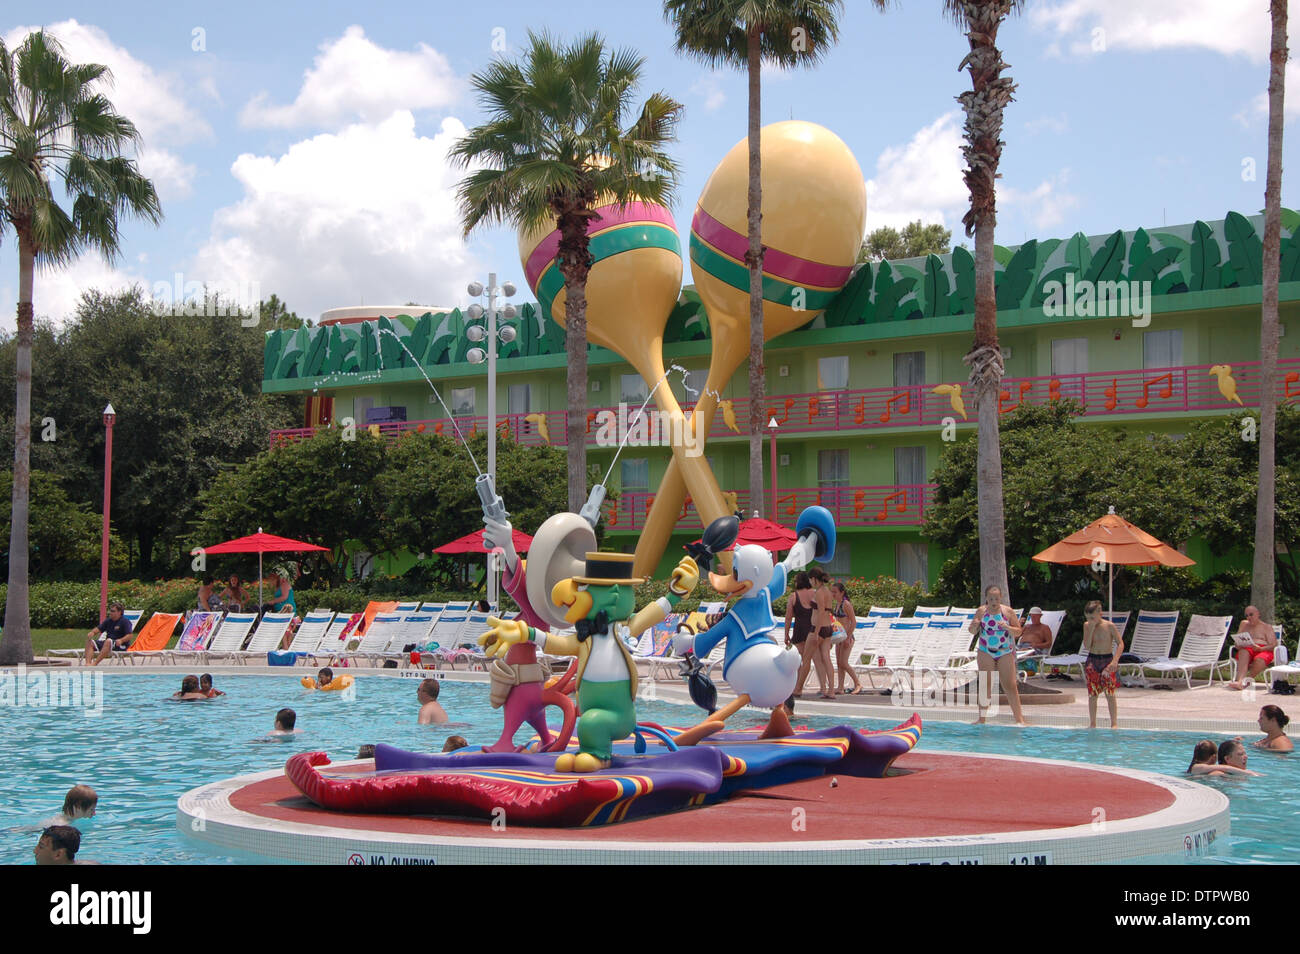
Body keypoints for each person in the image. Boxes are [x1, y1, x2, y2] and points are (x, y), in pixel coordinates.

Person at [969, 584, 1027, 726]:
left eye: (996, 598)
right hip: (985, 650)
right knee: (985, 684)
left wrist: (1007, 627)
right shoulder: (981, 611)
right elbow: (972, 631)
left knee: (1010, 685)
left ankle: (1019, 719)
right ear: (986, 599)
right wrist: (975, 625)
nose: (994, 602)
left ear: (1001, 598)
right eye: (991, 599)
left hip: (1005, 651)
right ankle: (981, 719)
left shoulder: (1007, 612)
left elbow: (1018, 632)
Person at [1081, 600, 1123, 729]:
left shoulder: (1109, 626)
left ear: (1100, 613)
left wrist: (1115, 661)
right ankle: (1093, 723)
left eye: (1092, 618)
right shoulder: (1087, 625)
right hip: (1092, 661)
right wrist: (1092, 627)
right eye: (1088, 618)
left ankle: (1114, 723)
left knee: (1110, 693)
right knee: (1092, 694)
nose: (1090, 620)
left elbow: (1120, 643)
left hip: (1107, 661)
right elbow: (1087, 646)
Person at [784, 572, 821, 698]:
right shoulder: (815, 593)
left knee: (797, 661)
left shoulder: (793, 596)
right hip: (812, 628)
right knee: (808, 660)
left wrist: (786, 634)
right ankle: (800, 687)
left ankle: (796, 687)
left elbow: (788, 617)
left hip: (799, 630)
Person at [1227, 606, 1279, 690]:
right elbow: (1237, 641)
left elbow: (1273, 645)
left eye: (1251, 615)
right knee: (1243, 652)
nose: (1249, 617)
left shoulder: (1266, 627)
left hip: (1263, 649)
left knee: (1260, 659)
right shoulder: (1244, 624)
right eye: (1246, 615)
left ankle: (1247, 680)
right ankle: (1240, 682)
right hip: (1247, 648)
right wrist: (1238, 644)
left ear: (1258, 614)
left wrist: (1260, 649)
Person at [829, 582, 864, 694]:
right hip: (839, 636)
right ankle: (840, 687)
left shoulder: (846, 604)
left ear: (842, 592)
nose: (833, 594)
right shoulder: (837, 604)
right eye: (832, 592)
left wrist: (848, 637)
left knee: (844, 662)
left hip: (847, 637)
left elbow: (853, 622)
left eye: (835, 592)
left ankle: (858, 683)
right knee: (839, 663)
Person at [809, 568, 837, 699]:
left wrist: (816, 632)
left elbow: (820, 612)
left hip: (819, 628)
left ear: (814, 579)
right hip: (828, 627)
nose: (810, 582)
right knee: (826, 658)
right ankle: (830, 689)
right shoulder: (828, 592)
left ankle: (824, 688)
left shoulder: (820, 592)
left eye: (811, 579)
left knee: (814, 657)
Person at [83, 602, 133, 666]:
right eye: (110, 611)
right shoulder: (108, 621)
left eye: (113, 611)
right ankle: (88, 663)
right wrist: (92, 632)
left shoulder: (125, 621)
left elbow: (130, 635)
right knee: (90, 642)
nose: (110, 613)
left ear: (119, 612)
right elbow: (98, 629)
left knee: (108, 641)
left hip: (120, 645)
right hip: (108, 643)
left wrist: (121, 640)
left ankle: (94, 663)